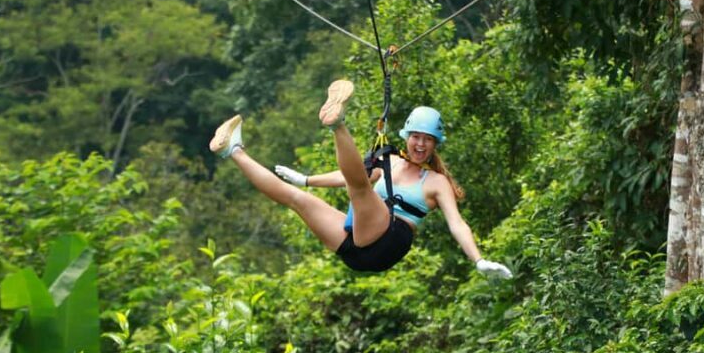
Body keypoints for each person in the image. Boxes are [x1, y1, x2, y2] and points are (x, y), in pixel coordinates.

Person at [209, 79, 511, 278]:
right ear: (406, 138)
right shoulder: (389, 161)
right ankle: (233, 150)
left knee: (362, 189)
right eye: (415, 137)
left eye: (427, 140)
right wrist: (305, 180)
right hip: (356, 249)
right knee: (296, 198)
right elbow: (349, 176)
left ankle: (337, 125)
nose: (420, 145)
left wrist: (478, 260)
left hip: (388, 243)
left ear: (435, 144)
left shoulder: (435, 182)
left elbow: (457, 223)